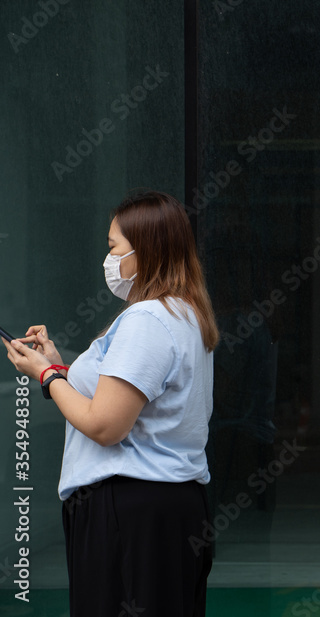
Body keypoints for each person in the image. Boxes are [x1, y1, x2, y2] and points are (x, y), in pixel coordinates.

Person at [3, 191, 217, 616]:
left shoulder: (147, 320)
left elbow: (106, 425)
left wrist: (44, 376)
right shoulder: (184, 314)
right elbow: (122, 404)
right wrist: (60, 370)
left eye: (114, 246)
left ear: (145, 252)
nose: (110, 258)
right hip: (165, 509)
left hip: (129, 512)